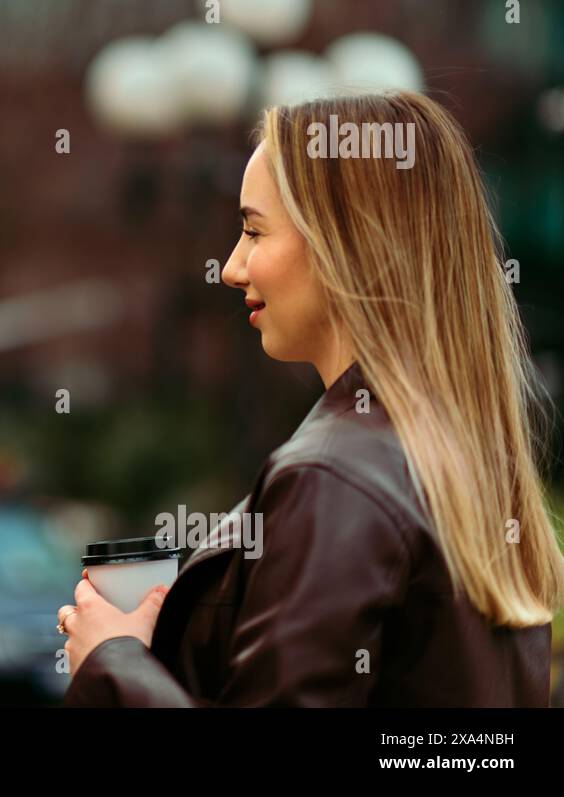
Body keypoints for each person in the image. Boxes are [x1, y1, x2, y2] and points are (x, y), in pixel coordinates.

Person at [59, 91, 564, 706]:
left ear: (348, 243)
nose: (232, 268)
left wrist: (112, 665)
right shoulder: (471, 465)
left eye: (252, 230)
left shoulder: (334, 475)